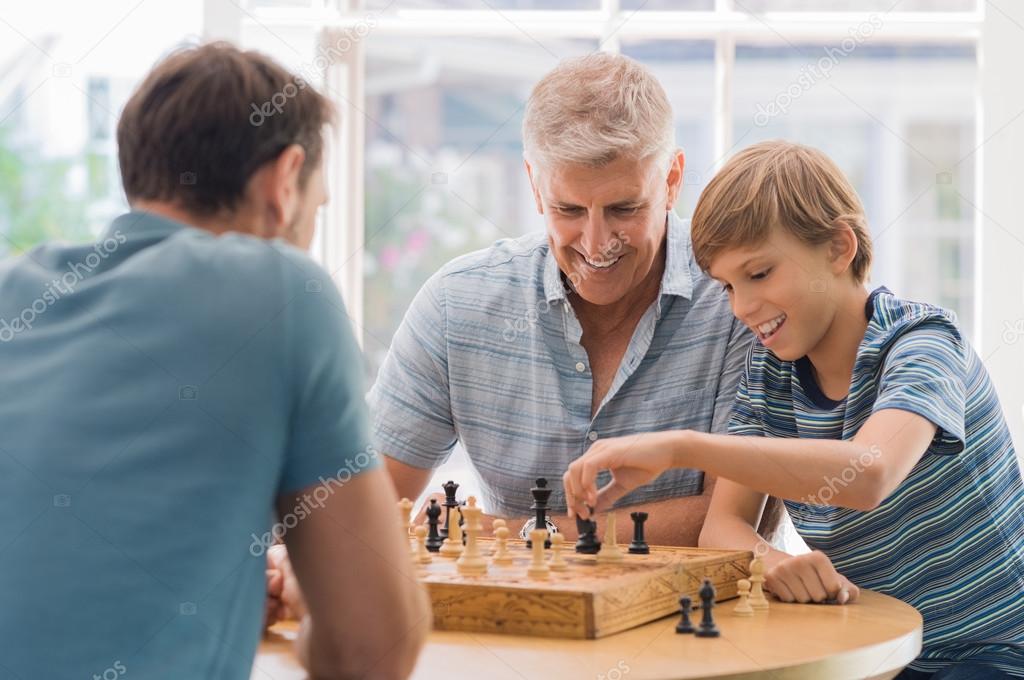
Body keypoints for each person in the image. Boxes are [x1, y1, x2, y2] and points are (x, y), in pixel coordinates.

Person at [0, 43, 428, 680]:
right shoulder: (282, 288)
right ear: (285, 183)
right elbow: (372, 653)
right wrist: (310, 600)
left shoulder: (15, 288)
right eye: (317, 207)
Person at [562, 140, 1024, 678]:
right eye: (728, 286)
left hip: (994, 653)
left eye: (758, 275)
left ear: (838, 248)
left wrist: (678, 447)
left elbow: (868, 473)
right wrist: (773, 561)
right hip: (880, 654)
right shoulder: (771, 374)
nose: (742, 308)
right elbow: (723, 525)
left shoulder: (922, 342)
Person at [369, 52, 755, 547]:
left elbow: (737, 523)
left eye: (624, 208)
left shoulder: (738, 302)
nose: (597, 244)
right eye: (568, 209)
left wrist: (508, 534)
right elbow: (368, 507)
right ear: (534, 184)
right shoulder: (455, 307)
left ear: (672, 180)